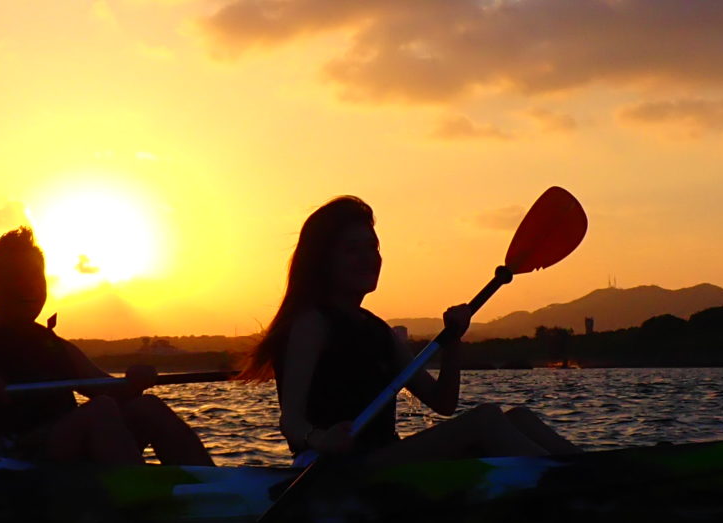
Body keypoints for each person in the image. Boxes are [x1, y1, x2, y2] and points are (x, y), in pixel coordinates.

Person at [243, 196, 579, 466]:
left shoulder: (379, 331)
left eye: (372, 247)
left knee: (519, 417)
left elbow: (443, 403)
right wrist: (321, 438)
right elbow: (292, 423)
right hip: (337, 471)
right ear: (323, 262)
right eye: (351, 249)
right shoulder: (311, 325)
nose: (368, 258)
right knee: (486, 419)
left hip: (386, 459)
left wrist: (453, 342)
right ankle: (574, 490)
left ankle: (597, 478)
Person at [0, 226, 214, 466]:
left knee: (147, 407)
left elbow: (108, 390)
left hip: (61, 452)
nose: (27, 288)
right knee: (101, 411)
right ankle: (135, 502)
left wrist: (134, 382)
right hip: (5, 460)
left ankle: (214, 488)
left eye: (34, 278)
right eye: (15, 278)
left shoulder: (55, 346)